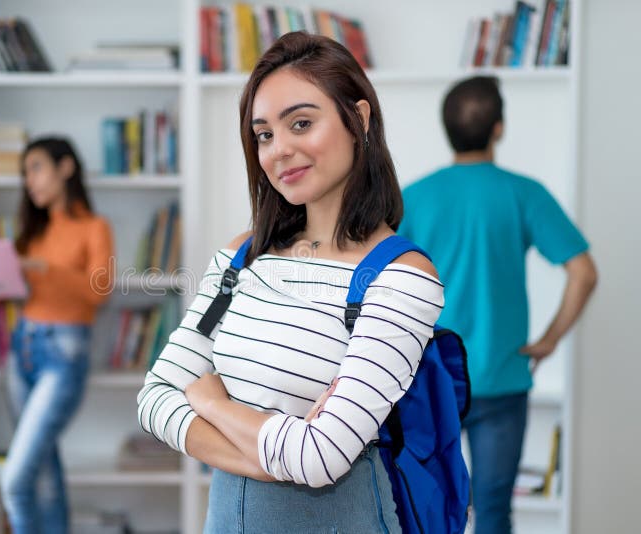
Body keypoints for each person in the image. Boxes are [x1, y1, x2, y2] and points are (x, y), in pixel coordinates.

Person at [138, 32, 445, 533]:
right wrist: (271, 457)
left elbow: (322, 459)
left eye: (301, 123)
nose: (279, 150)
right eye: (264, 134)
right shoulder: (242, 257)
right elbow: (154, 397)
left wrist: (213, 403)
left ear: (358, 120)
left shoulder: (402, 277)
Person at [399, 76, 598, 534]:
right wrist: (548, 341)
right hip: (502, 379)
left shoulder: (413, 197)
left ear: (447, 128)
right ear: (498, 128)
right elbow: (584, 273)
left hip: (430, 379)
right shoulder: (523, 192)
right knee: (492, 512)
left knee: (425, 510)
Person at [0, 137, 115, 534]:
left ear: (65, 167)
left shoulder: (94, 228)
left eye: (35, 168)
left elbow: (99, 291)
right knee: (44, 473)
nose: (29, 181)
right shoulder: (34, 230)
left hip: (63, 353)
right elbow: (16, 290)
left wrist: (41, 267)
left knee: (14, 482)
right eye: (24, 173)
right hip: (21, 349)